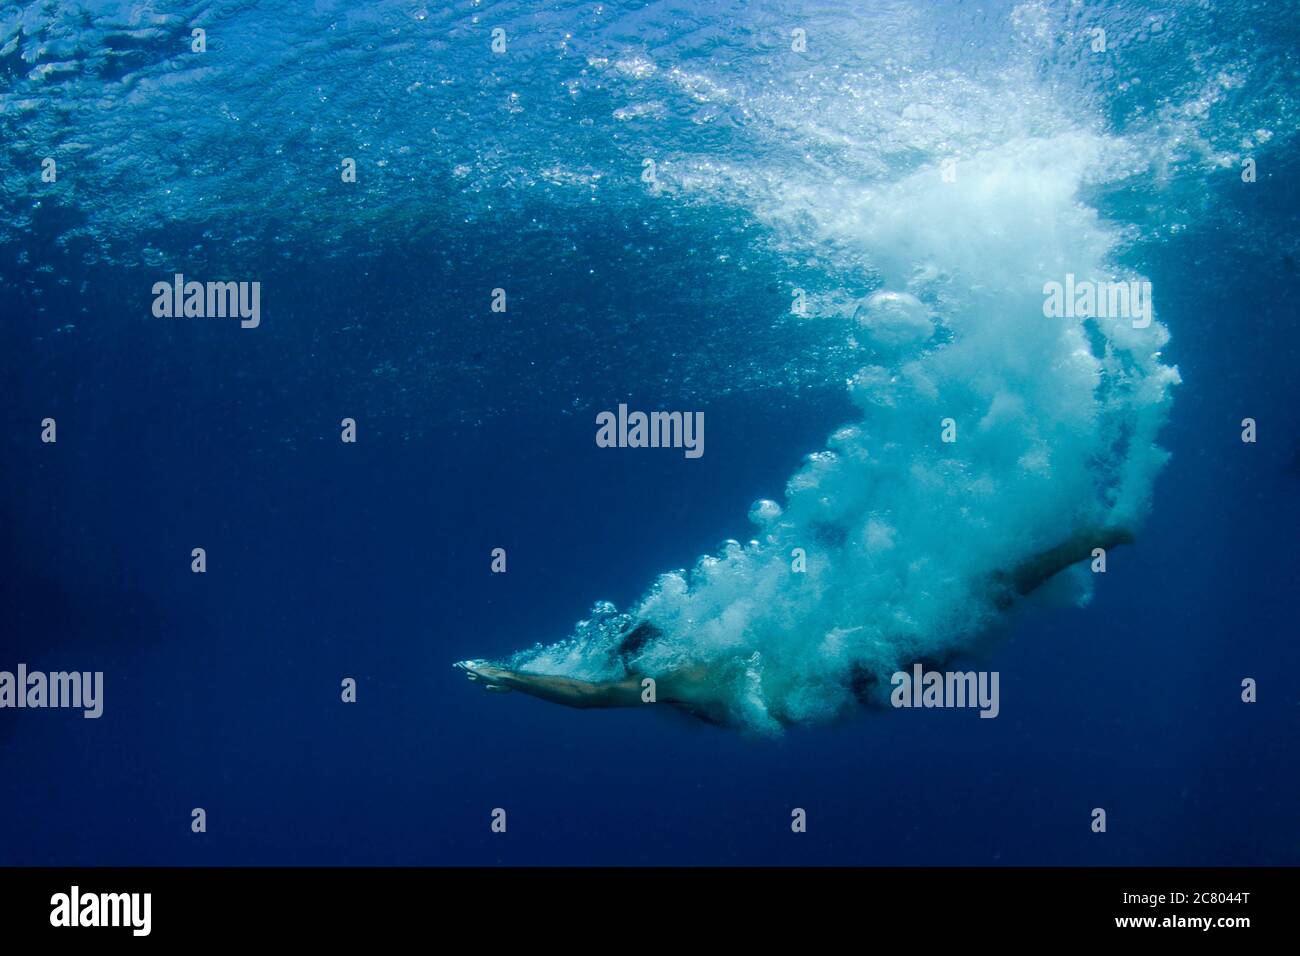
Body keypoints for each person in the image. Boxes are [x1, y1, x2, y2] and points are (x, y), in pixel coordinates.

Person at [455, 526, 1134, 728]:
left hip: (845, 666)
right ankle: (1077, 545)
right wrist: (514, 680)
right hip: (852, 678)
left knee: (960, 611)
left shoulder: (684, 660)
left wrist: (515, 679)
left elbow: (590, 692)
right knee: (968, 613)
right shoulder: (670, 679)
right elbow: (588, 695)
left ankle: (1065, 540)